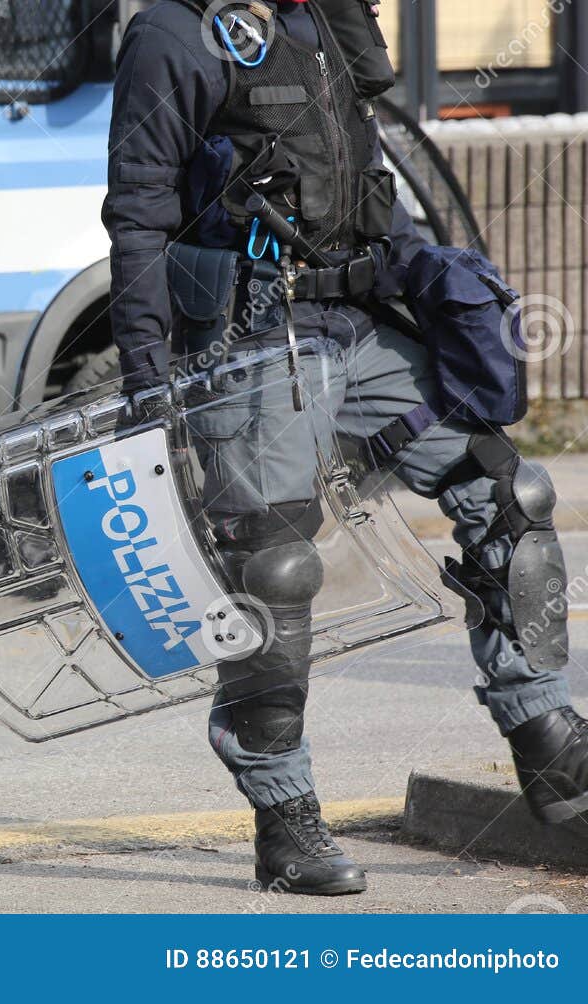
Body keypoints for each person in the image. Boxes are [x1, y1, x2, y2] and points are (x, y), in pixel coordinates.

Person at [104, 0, 588, 894]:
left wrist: (425, 280)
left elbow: (360, 177)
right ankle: (285, 822)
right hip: (250, 339)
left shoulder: (317, 15)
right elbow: (135, 211)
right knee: (275, 572)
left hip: (354, 326)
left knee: (507, 494)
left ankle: (552, 751)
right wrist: (147, 381)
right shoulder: (175, 31)